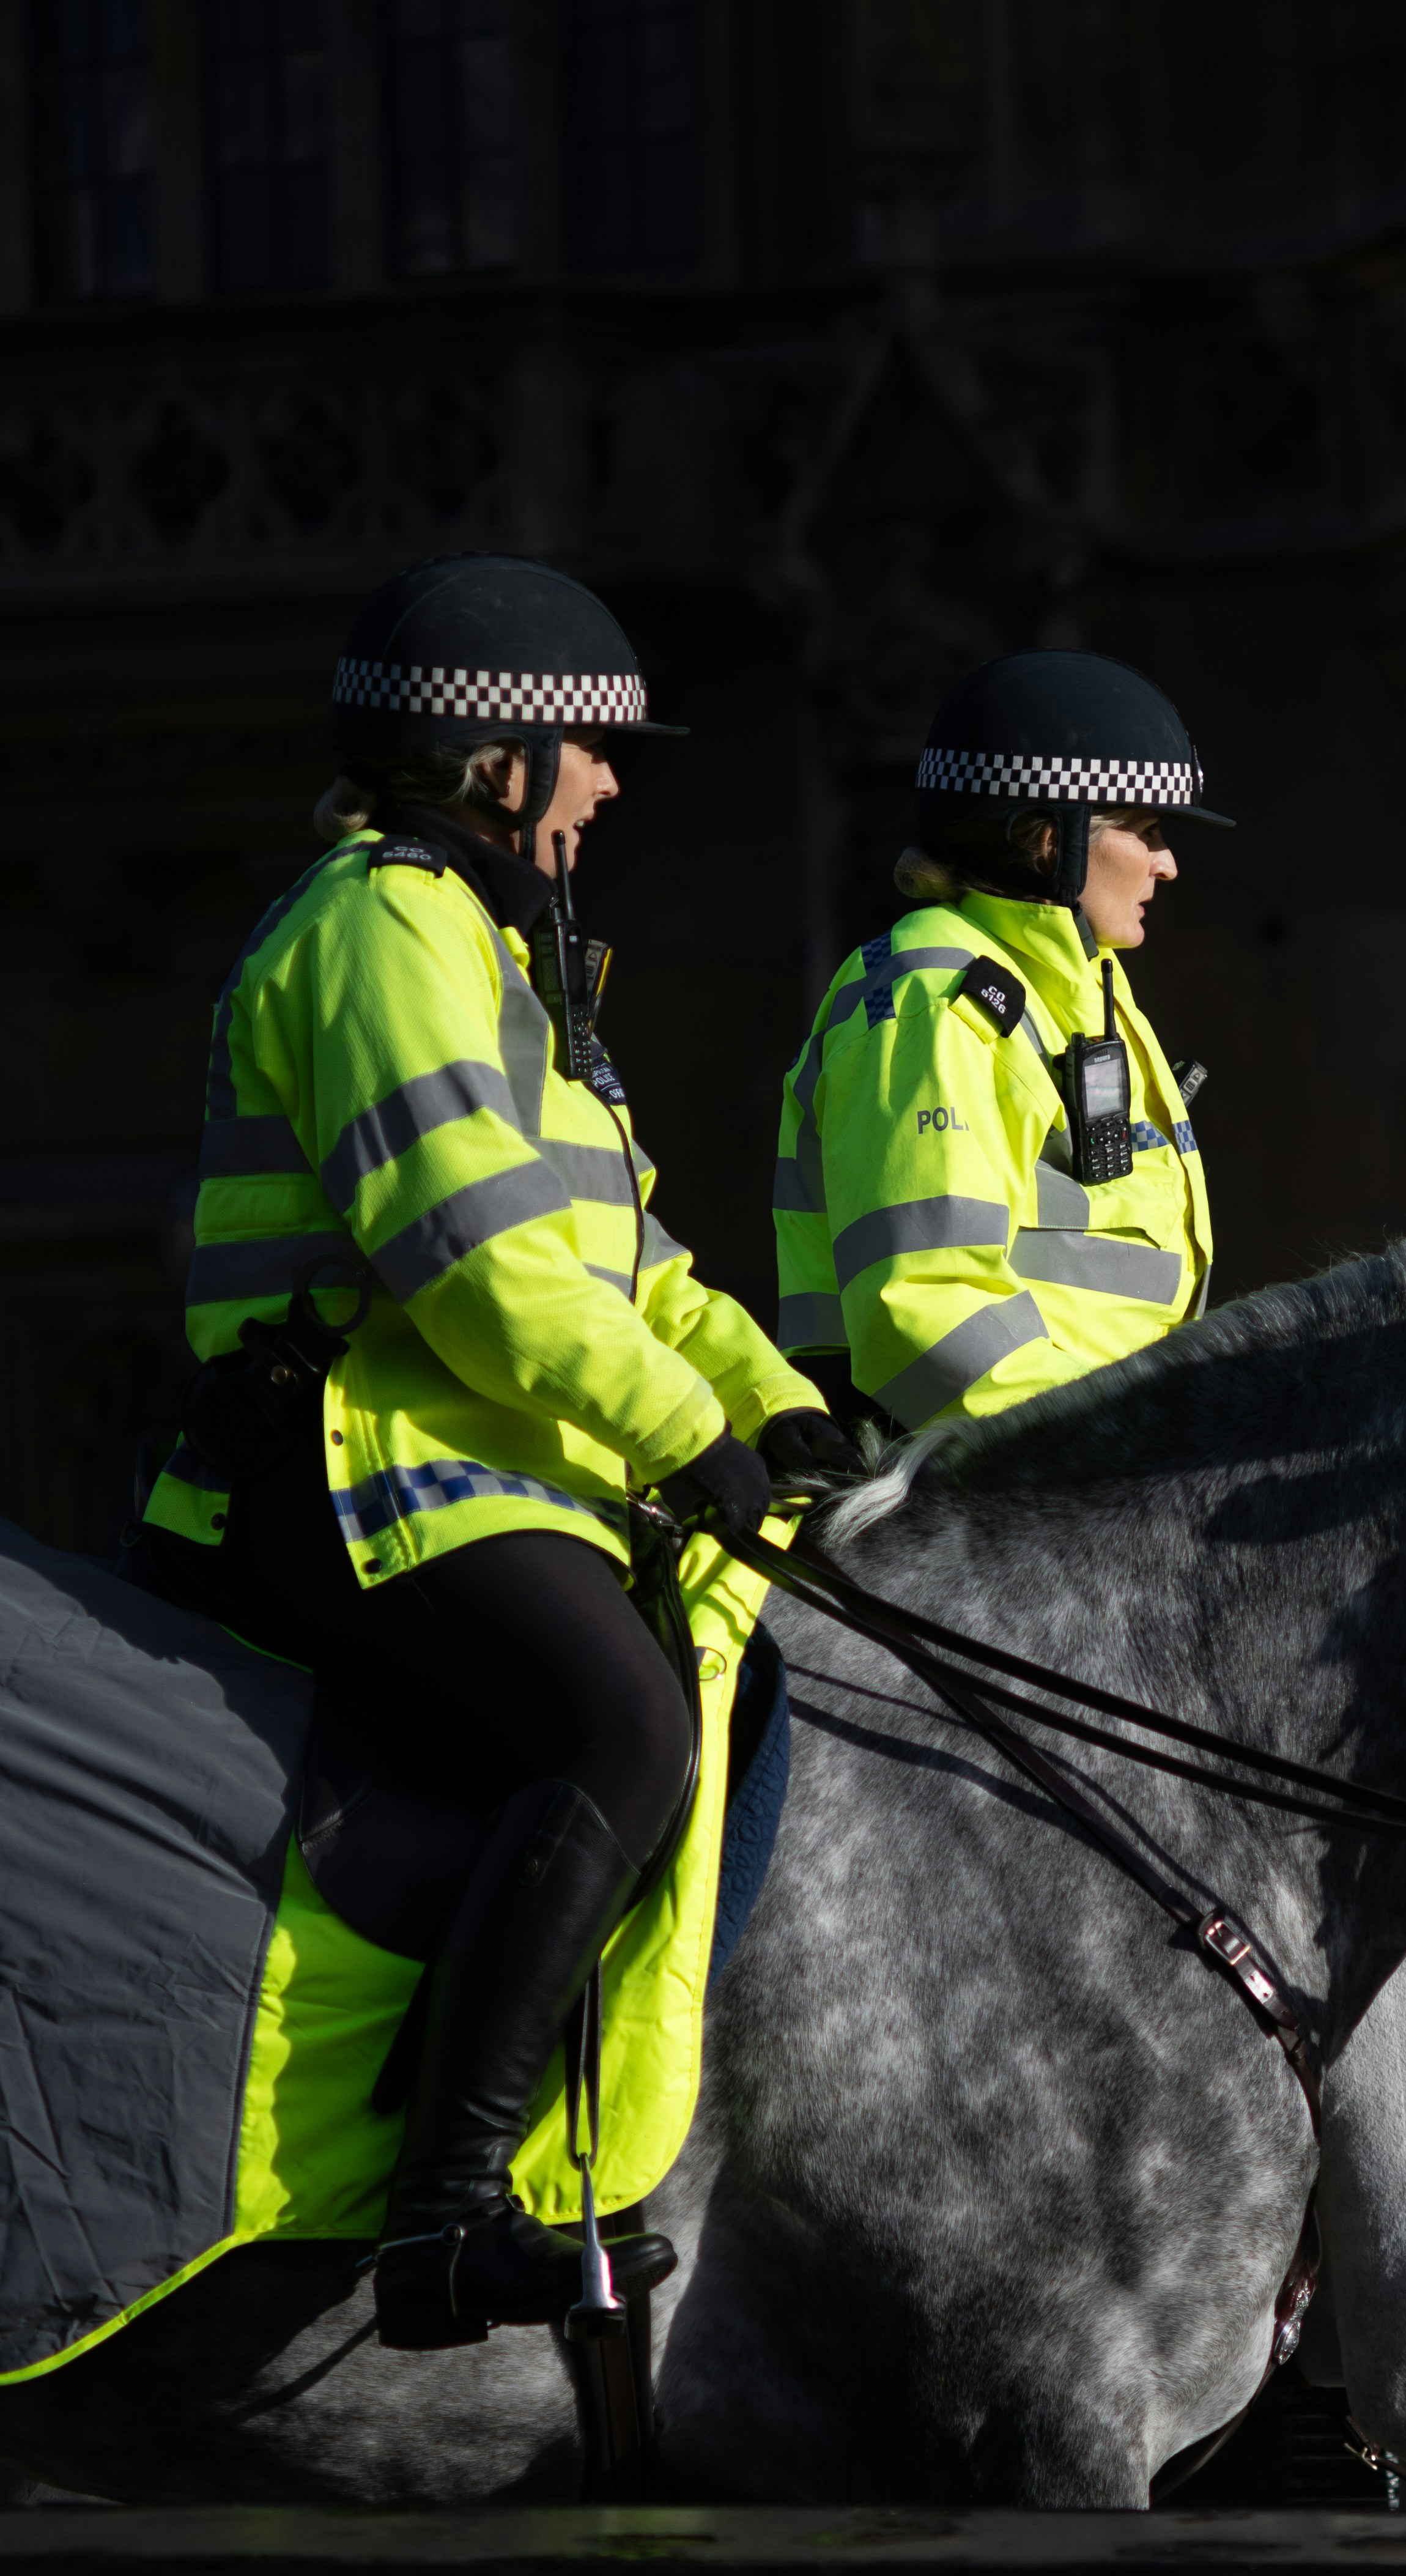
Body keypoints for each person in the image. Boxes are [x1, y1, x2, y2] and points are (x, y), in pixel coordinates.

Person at [132, 551, 840, 2350]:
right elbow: (474, 1260)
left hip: (478, 1453)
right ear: (492, 760)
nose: (610, 785)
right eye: (588, 751)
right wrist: (689, 1439)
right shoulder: (380, 926)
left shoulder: (505, 953)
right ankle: (446, 2218)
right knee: (617, 1725)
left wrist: (773, 1401)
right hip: (352, 1453)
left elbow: (629, 1258)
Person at [773, 651, 1226, 1430]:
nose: (1168, 864)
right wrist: (1121, 1454)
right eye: (1145, 831)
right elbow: (924, 1308)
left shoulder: (1082, 986)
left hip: (1083, 1478)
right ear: (1051, 841)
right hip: (990, 1496)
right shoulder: (935, 1000)